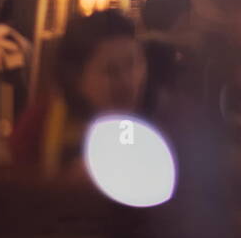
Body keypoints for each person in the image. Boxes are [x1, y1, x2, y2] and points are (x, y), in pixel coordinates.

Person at [9, 9, 149, 171]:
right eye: (111, 71)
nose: (127, 81)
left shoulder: (163, 118)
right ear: (76, 78)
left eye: (132, 65)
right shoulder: (40, 124)